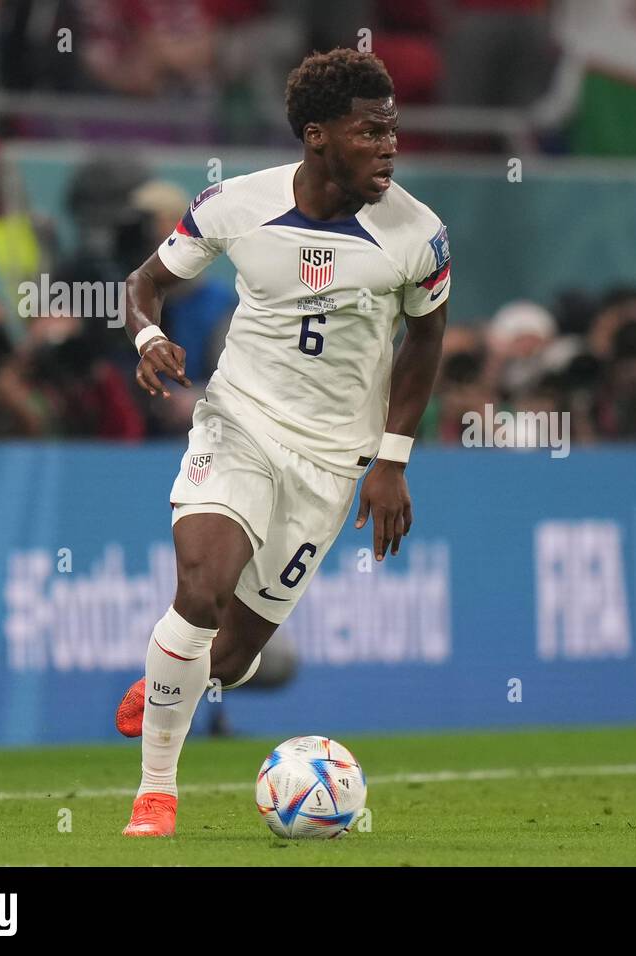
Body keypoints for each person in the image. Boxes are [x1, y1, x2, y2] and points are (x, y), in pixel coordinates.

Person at [114, 48, 450, 837]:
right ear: (317, 136)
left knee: (226, 658)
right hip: (240, 423)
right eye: (371, 132)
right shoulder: (233, 203)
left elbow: (427, 342)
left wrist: (392, 461)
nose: (390, 145)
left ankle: (172, 678)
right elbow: (142, 285)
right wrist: (147, 339)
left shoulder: (418, 234)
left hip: (333, 460)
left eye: (393, 128)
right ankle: (155, 793)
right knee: (198, 591)